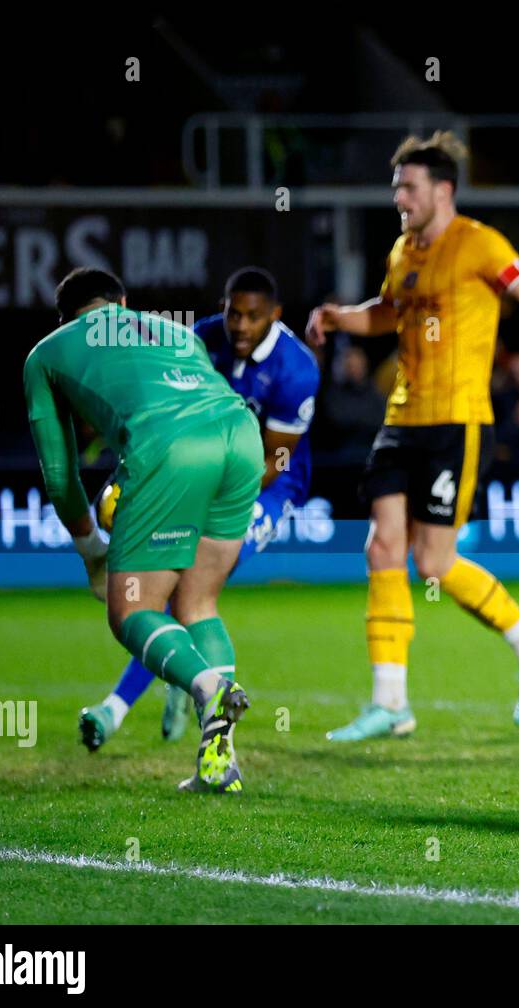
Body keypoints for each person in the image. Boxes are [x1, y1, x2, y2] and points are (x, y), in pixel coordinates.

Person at [305, 131, 519, 740]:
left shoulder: (479, 244)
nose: (399, 197)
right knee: (383, 548)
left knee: (433, 562)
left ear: (443, 190)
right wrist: (338, 317)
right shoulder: (403, 251)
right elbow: (387, 312)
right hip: (401, 418)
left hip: (457, 422)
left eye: (408, 187)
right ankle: (390, 702)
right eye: (396, 187)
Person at [24, 267, 264, 792]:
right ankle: (218, 763)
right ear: (122, 303)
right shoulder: (178, 331)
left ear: (66, 319)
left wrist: (92, 550)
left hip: (168, 448)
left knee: (132, 610)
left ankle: (208, 687)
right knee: (198, 604)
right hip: (242, 438)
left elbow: (60, 475)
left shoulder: (46, 353)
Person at [79, 267, 320, 749]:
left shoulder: (297, 369)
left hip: (264, 489)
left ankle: (122, 706)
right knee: (174, 593)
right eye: (234, 313)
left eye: (254, 317)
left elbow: (274, 458)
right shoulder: (199, 339)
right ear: (223, 307)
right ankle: (183, 687)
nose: (241, 326)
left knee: (183, 592)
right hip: (196, 477)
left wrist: (207, 493)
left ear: (275, 316)